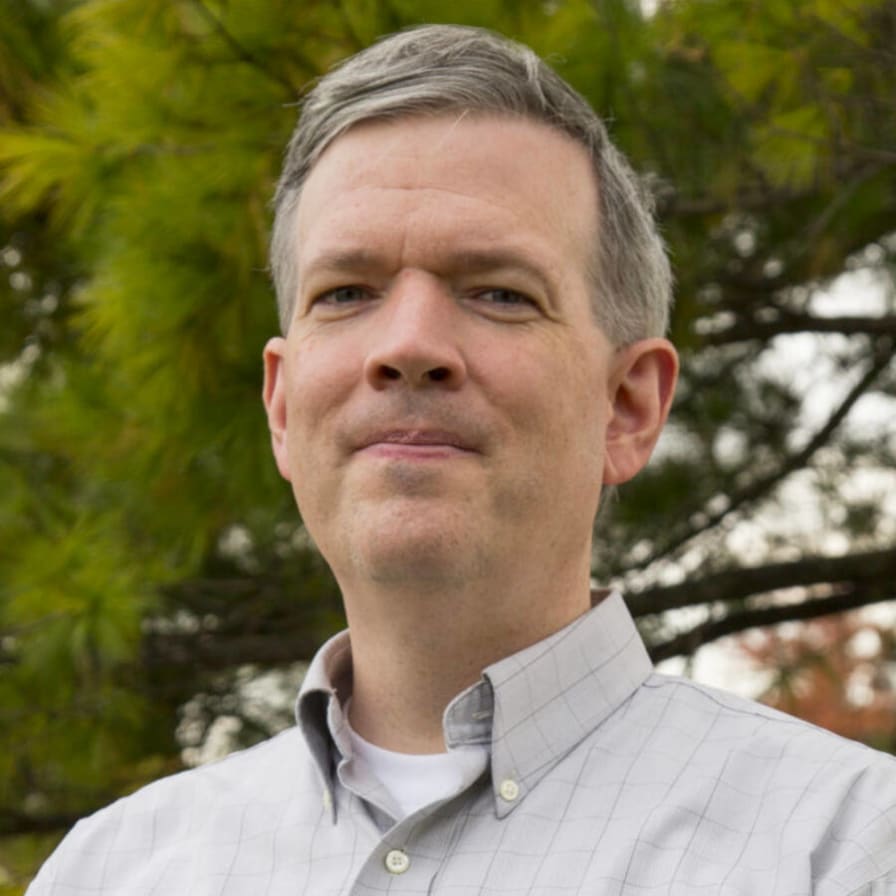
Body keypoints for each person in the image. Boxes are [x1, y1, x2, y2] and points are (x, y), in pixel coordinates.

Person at [28, 24, 896, 896]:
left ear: (628, 407)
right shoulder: (111, 870)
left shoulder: (845, 849)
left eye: (499, 294)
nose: (408, 345)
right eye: (346, 293)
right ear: (282, 407)